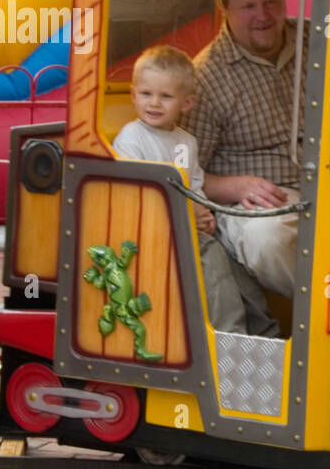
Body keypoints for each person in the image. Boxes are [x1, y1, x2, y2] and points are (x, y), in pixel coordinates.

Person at [112, 45, 275, 336]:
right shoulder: (131, 139)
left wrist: (204, 212)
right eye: (147, 94)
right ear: (134, 95)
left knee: (236, 264)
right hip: (154, 235)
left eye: (166, 96)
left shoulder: (185, 142)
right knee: (212, 264)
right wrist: (189, 217)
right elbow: (138, 198)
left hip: (187, 229)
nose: (155, 103)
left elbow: (194, 185)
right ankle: (228, 336)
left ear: (187, 103)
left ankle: (264, 333)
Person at [185, 0, 305, 297]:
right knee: (268, 238)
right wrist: (238, 187)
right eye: (248, 7)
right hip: (255, 208)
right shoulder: (204, 77)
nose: (263, 15)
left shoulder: (320, 44)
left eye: (270, 2)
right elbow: (183, 176)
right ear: (224, 11)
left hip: (328, 189)